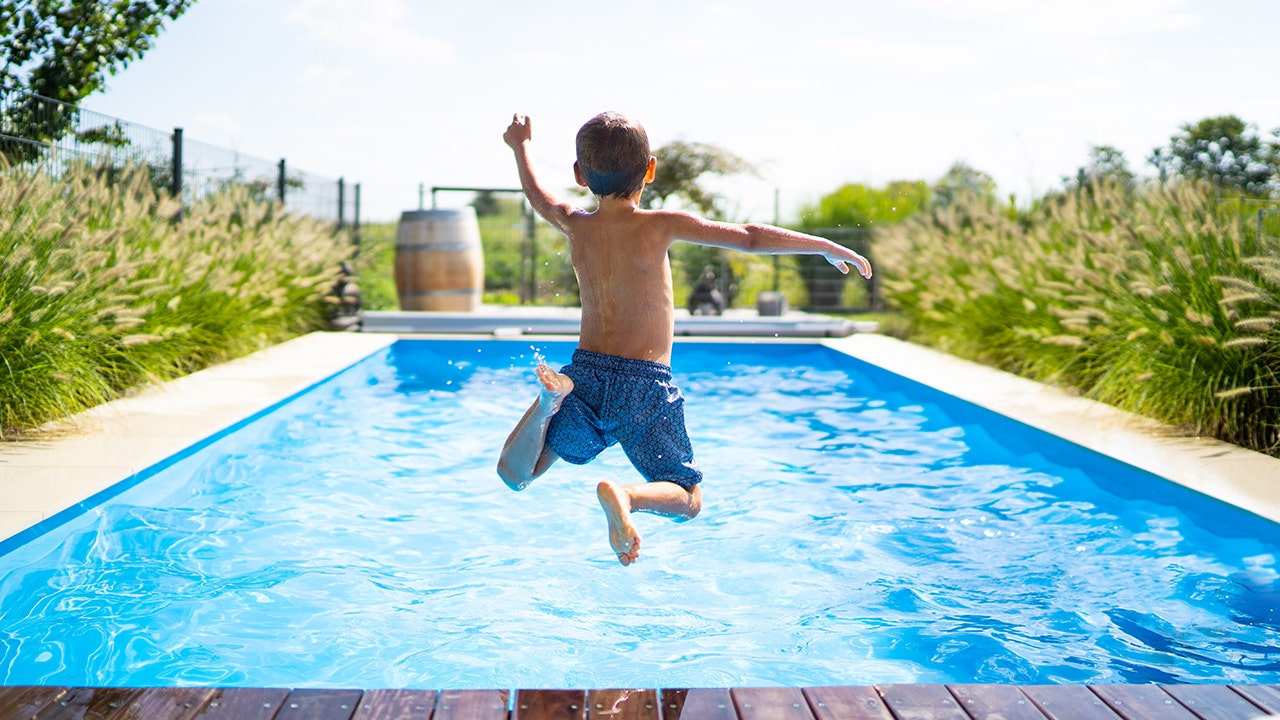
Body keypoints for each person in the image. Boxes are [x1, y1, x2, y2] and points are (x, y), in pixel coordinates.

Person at [496, 112, 872, 566]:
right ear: (650, 170)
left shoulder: (576, 224)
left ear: (579, 175)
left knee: (517, 475)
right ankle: (626, 495)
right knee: (689, 498)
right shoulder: (660, 225)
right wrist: (824, 245)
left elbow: (538, 196)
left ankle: (546, 403)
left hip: (585, 376)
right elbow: (750, 237)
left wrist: (520, 146)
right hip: (643, 385)